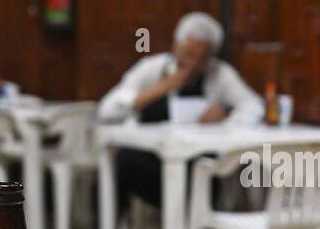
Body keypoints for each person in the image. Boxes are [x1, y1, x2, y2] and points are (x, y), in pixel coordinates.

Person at [98, 12, 262, 211]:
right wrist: (157, 90)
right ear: (176, 45)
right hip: (154, 161)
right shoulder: (151, 69)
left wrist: (226, 118)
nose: (193, 64)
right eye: (189, 54)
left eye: (202, 59)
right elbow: (106, 111)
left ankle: (194, 222)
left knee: (212, 170)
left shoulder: (219, 74)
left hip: (198, 165)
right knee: (121, 161)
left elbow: (254, 106)